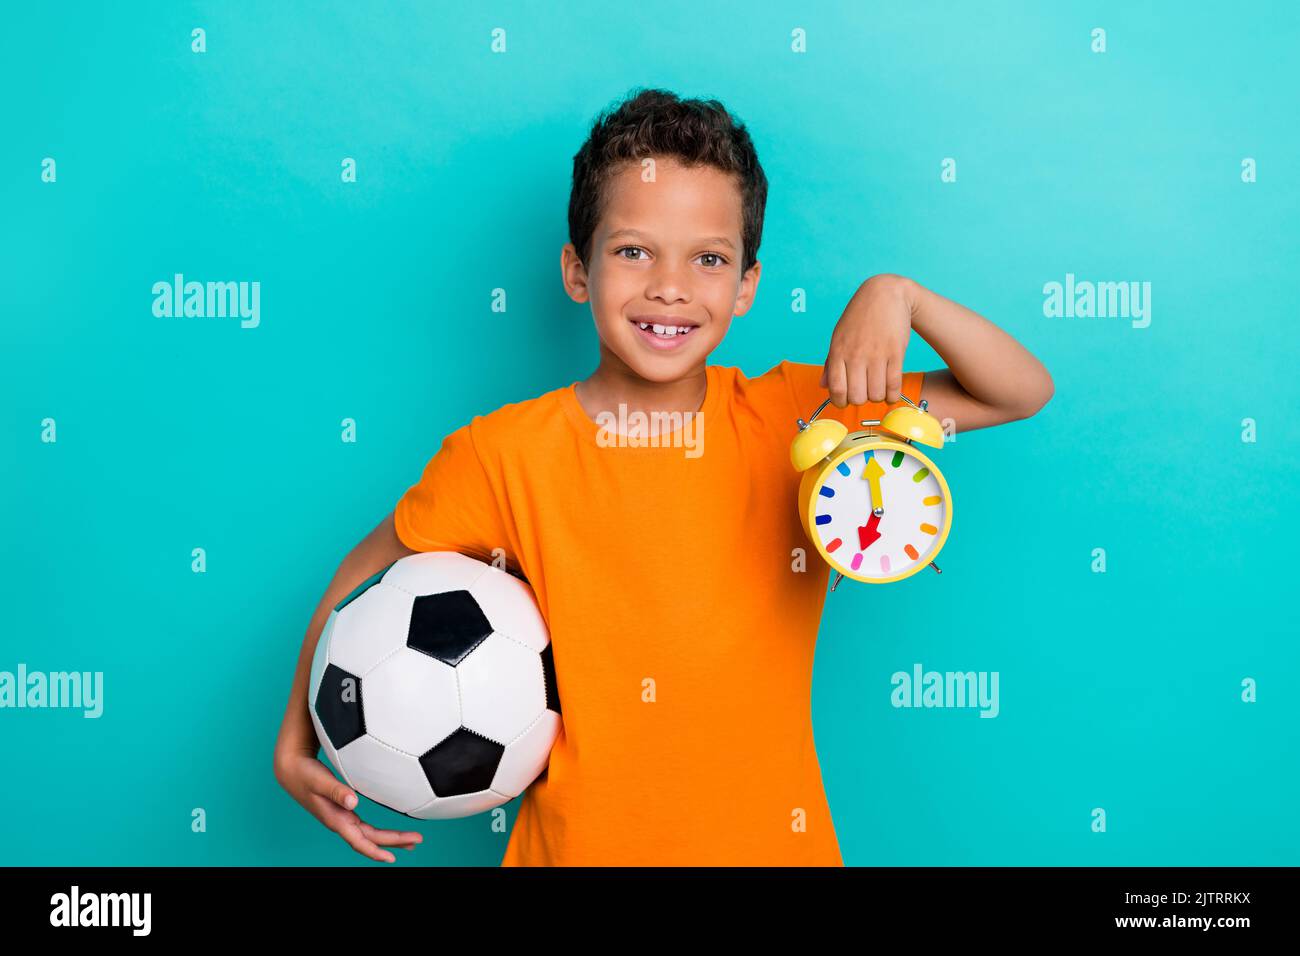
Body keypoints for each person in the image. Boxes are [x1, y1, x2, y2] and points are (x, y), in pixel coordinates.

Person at [273, 87, 1054, 866]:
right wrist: (295, 736)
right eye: (633, 251)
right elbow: (363, 576)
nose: (670, 287)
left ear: (746, 285)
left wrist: (900, 297)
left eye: (708, 259)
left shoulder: (802, 418)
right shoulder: (502, 454)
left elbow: (1018, 390)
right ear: (578, 271)